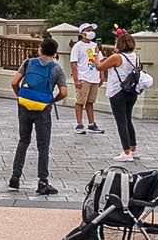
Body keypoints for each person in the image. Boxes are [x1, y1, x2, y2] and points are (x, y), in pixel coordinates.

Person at [7, 33, 64, 194]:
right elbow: (64, 92)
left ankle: (15, 177)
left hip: (24, 105)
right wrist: (52, 100)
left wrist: (20, 96)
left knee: (23, 140)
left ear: (40, 49)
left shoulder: (28, 62)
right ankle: (43, 181)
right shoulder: (56, 69)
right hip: (43, 108)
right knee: (43, 146)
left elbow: (13, 82)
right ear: (54, 53)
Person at [100, 29, 143, 161]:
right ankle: (133, 148)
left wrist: (97, 56)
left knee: (121, 122)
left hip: (117, 92)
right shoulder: (135, 57)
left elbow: (100, 67)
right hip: (131, 91)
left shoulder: (116, 57)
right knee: (128, 120)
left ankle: (126, 152)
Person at [69, 24, 102, 133]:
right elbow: (73, 63)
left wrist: (101, 75)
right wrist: (76, 80)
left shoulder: (95, 45)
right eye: (88, 30)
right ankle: (79, 124)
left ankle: (91, 123)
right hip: (84, 77)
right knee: (80, 101)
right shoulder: (77, 46)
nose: (91, 32)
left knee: (90, 101)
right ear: (82, 33)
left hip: (94, 77)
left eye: (92, 30)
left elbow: (100, 61)